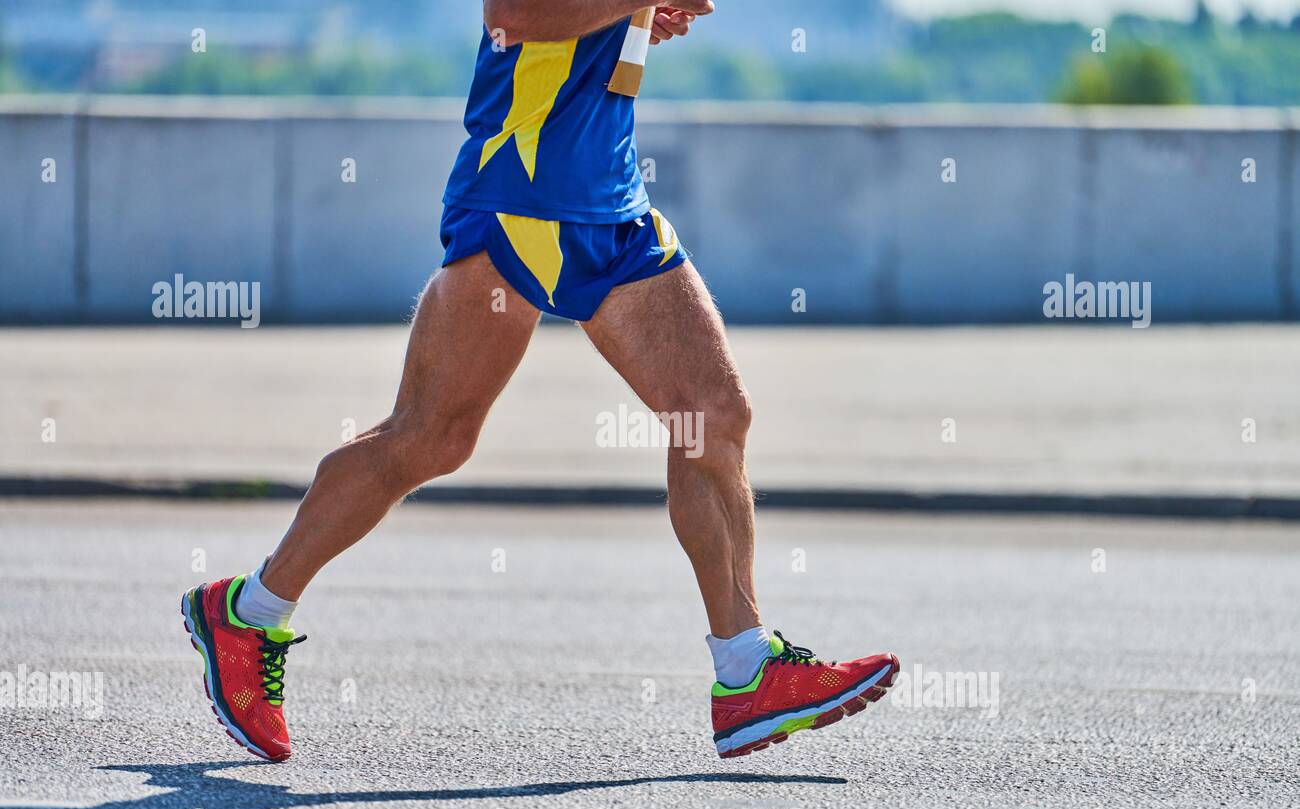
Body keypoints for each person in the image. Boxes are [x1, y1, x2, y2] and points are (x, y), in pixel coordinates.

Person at [180, 1, 898, 763]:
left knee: (713, 417)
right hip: (518, 196)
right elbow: (517, 14)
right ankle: (251, 611)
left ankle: (745, 668)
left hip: (612, 211)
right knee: (431, 436)